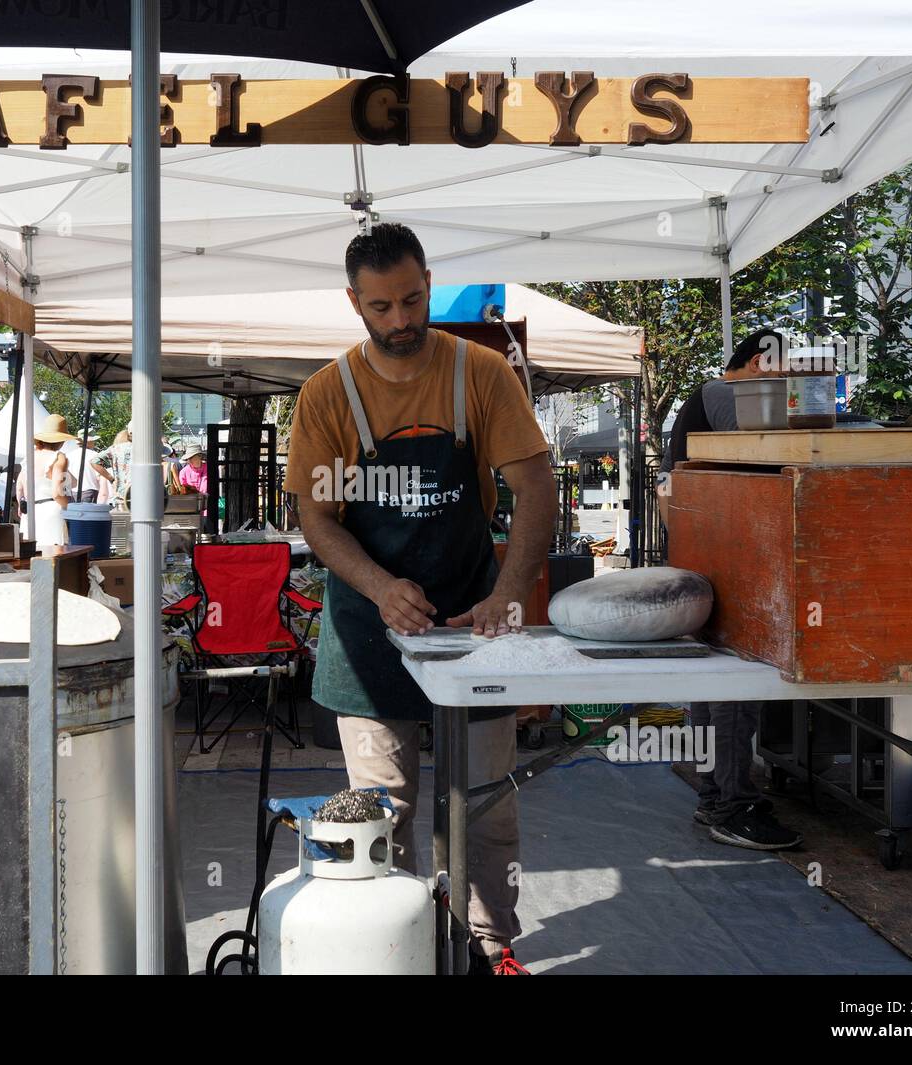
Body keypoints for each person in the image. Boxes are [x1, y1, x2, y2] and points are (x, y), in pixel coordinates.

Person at [285, 223, 558, 975]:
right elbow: (316, 517)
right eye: (381, 306)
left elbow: (535, 486)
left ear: (429, 283)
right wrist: (379, 586)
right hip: (367, 634)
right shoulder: (327, 394)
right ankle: (398, 952)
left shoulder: (481, 374)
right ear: (354, 302)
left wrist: (509, 591)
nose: (401, 319)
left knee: (486, 802)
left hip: (475, 622)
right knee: (382, 810)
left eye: (411, 299)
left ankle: (491, 950)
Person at [658, 328, 803, 851]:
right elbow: (761, 452)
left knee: (712, 680)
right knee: (736, 684)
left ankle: (715, 796)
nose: (786, 383)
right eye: (783, 370)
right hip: (725, 557)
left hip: (705, 552)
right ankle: (734, 804)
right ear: (760, 362)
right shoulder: (724, 393)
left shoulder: (704, 400)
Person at [27, 414, 78, 548]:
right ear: (62, 440)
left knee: (32, 553)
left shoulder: (29, 457)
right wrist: (72, 509)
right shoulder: (58, 457)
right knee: (55, 553)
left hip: (31, 512)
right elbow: (57, 493)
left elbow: (20, 489)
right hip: (52, 512)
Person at [62, 434, 113, 503]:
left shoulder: (68, 456)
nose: (94, 443)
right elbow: (100, 478)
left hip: (71, 493)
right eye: (93, 441)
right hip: (90, 493)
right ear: (88, 442)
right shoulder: (95, 456)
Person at [98, 428, 133, 505]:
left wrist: (111, 479)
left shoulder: (114, 450)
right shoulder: (137, 451)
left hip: (118, 501)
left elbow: (94, 461)